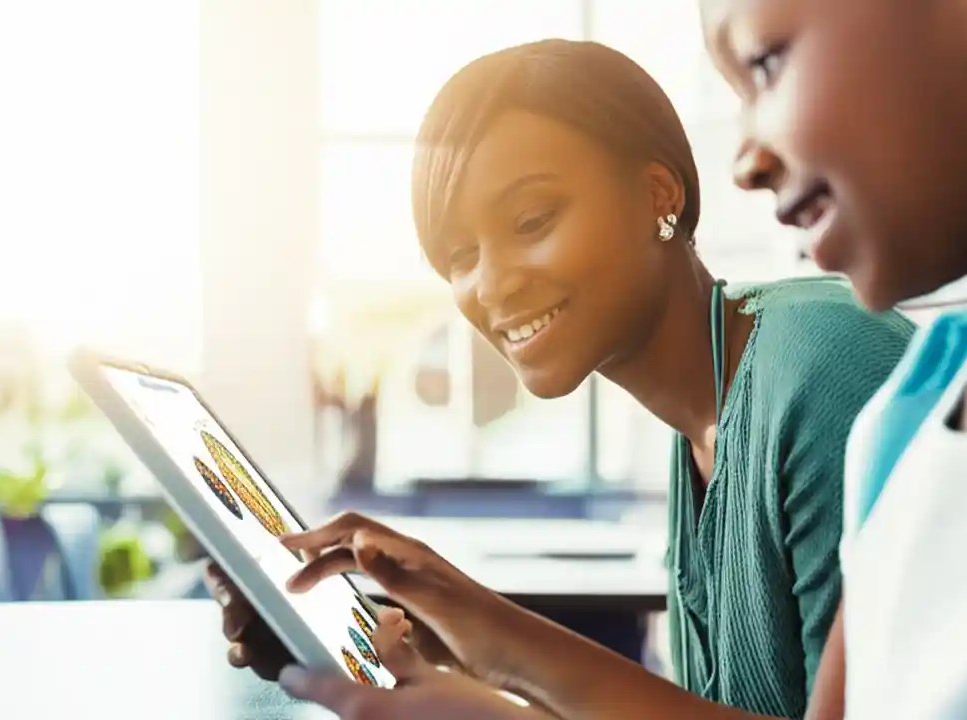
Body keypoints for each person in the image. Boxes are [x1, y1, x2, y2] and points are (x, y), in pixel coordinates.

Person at [238, 0, 967, 716]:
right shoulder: (930, 389)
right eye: (455, 256)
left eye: (770, 65)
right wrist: (457, 630)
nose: (744, 160)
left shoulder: (833, 367)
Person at [206, 38, 912, 718]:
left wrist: (491, 637)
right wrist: (440, 640)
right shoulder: (702, 422)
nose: (491, 284)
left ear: (656, 194)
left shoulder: (822, 367)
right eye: (460, 255)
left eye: (532, 220)